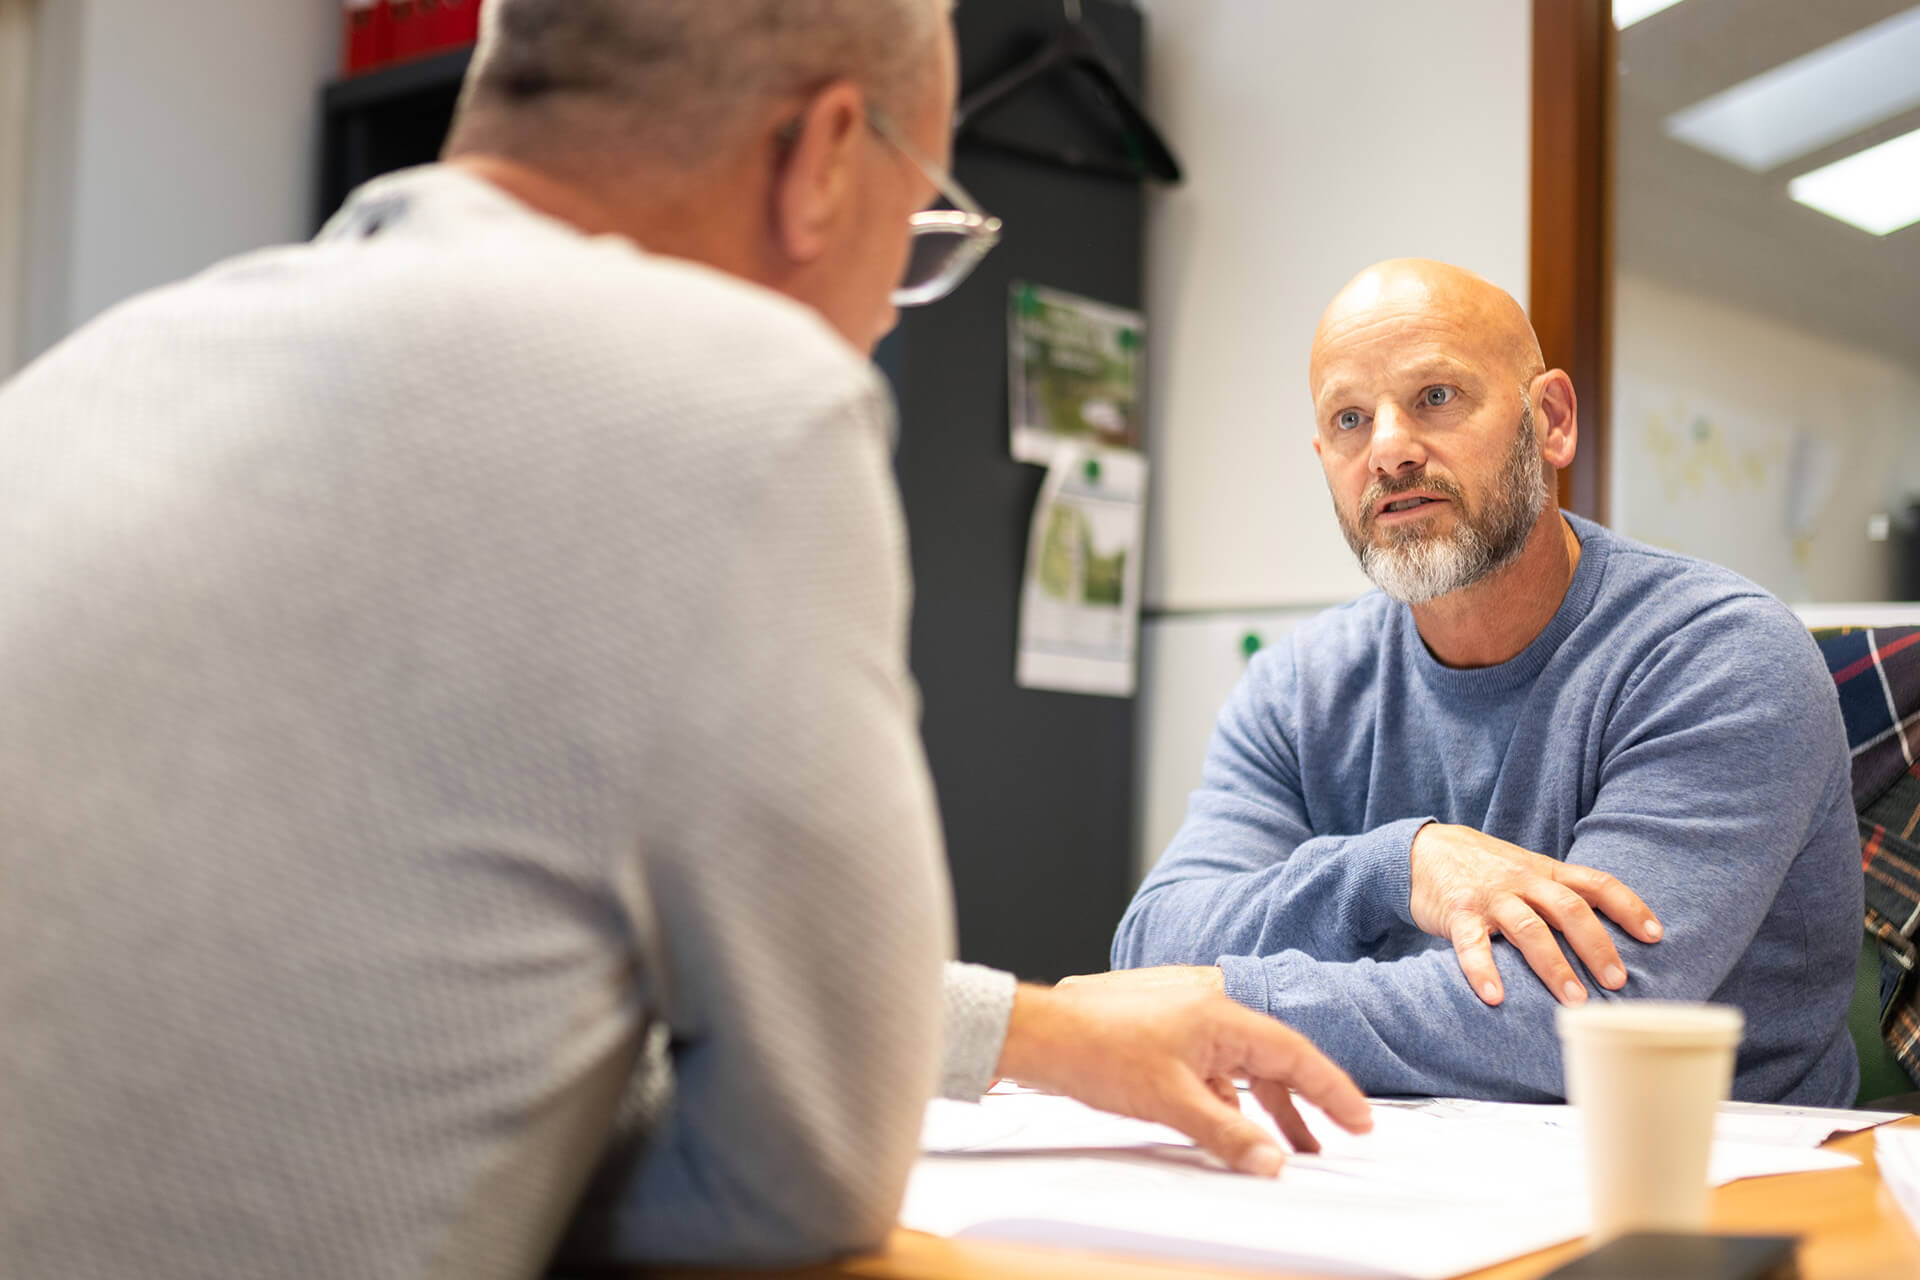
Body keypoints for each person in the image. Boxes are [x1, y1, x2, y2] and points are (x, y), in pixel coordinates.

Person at [0, 3, 1369, 1278]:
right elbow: (799, 1175)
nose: (886, 307)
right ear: (824, 158)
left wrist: (1031, 1031)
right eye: (917, 225)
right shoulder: (742, 405)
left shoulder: (92, 373)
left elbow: (379, 955)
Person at [1107, 258, 1863, 1107]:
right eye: (1350, 419)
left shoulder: (1719, 654)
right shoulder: (1296, 689)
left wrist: (1216, 1008)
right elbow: (1155, 941)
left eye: (1436, 396)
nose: (1388, 449)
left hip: (1718, 1171)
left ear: (1552, 421)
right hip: (1394, 1160)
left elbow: (1582, 1021)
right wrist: (1399, 866)